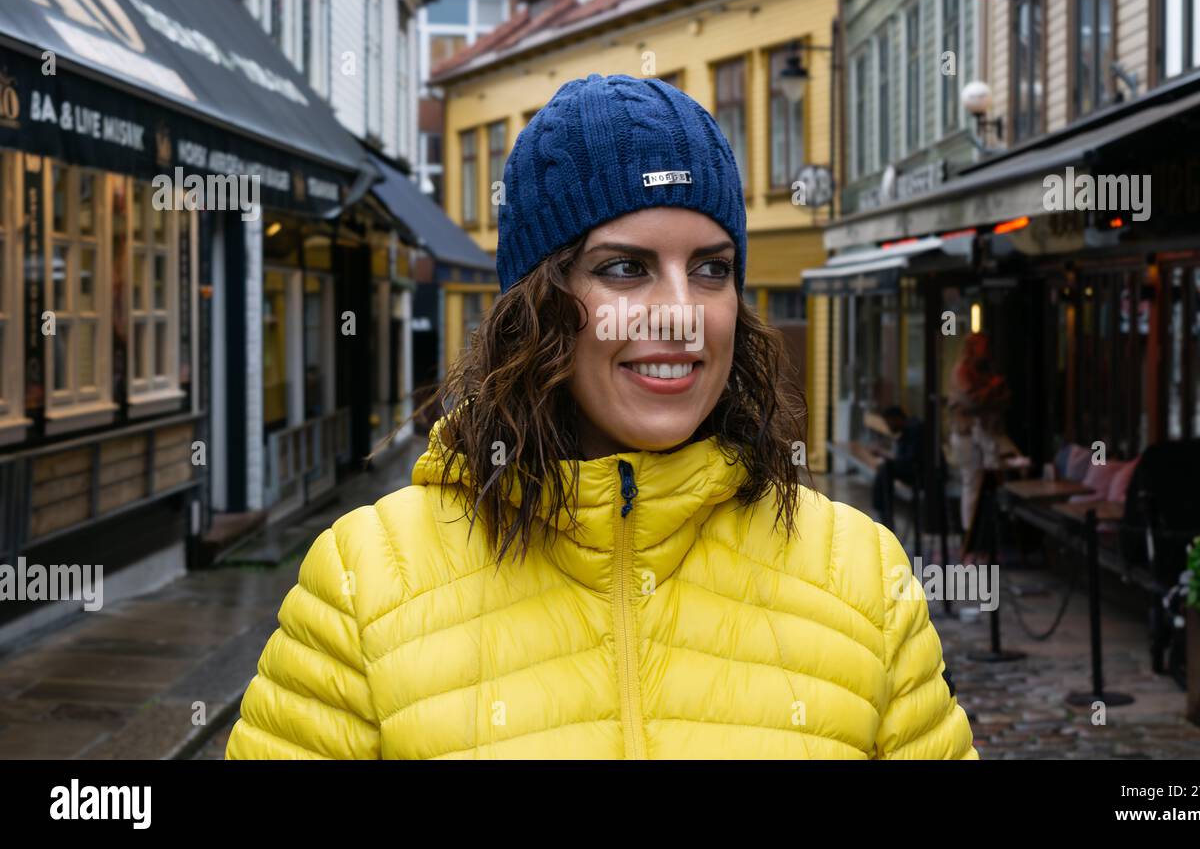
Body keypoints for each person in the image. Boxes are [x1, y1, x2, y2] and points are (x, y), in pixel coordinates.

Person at [225, 74, 976, 760]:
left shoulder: (862, 578)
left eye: (711, 269)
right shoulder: (366, 582)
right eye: (626, 268)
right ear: (536, 306)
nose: (683, 316)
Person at [947, 332, 1010, 561]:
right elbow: (972, 400)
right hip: (967, 435)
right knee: (972, 484)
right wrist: (992, 387)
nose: (986, 350)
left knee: (988, 483)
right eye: (982, 346)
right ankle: (971, 538)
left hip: (984, 434)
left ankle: (986, 539)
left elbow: (1000, 398)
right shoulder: (962, 371)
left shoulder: (984, 369)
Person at [871, 405, 922, 522]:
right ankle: (882, 510)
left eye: (889, 422)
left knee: (885, 469)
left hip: (921, 474)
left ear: (897, 419)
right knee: (884, 469)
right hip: (915, 470)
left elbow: (909, 460)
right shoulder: (907, 430)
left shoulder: (913, 430)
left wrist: (884, 455)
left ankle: (884, 512)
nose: (888, 426)